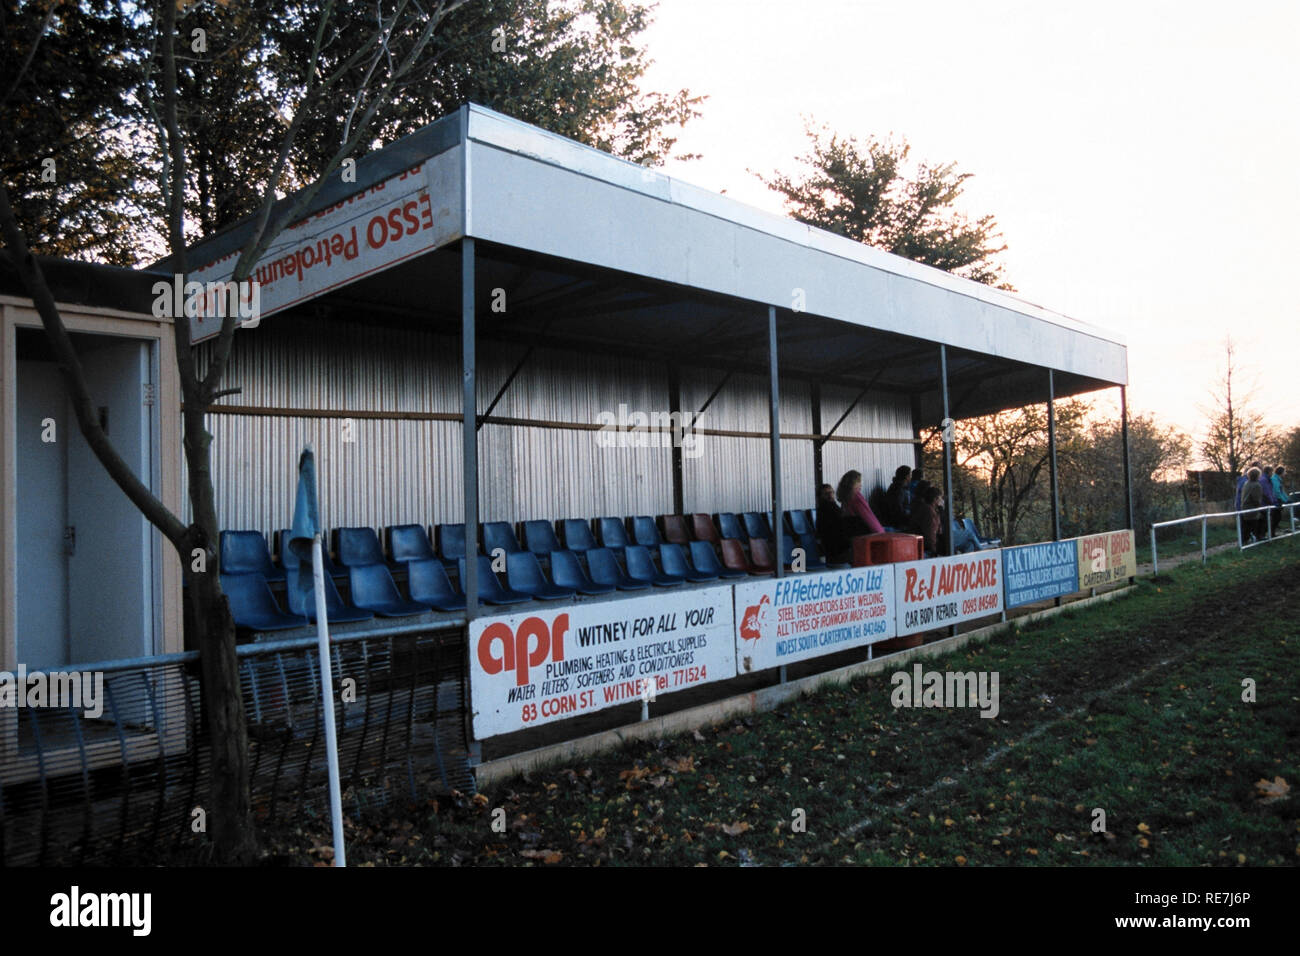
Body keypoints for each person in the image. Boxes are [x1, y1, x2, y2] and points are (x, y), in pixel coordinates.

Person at [836, 470, 885, 535]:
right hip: (867, 535)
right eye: (858, 482)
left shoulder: (845, 499)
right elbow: (869, 518)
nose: (860, 485)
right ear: (853, 484)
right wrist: (882, 533)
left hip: (854, 536)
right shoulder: (857, 498)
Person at [816, 483, 850, 563]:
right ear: (821, 496)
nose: (830, 495)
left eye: (832, 492)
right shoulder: (825, 509)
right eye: (826, 493)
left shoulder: (833, 506)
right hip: (837, 548)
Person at [909, 485, 943, 556]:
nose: (941, 500)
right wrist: (934, 550)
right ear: (935, 499)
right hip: (925, 546)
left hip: (930, 543)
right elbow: (930, 533)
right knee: (969, 536)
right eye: (940, 498)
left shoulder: (933, 509)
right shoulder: (928, 511)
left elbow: (939, 531)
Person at [1240, 467, 1266, 542]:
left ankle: (1245, 540)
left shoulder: (1246, 483)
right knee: (1261, 521)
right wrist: (1259, 506)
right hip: (1252, 509)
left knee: (1246, 527)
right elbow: (1256, 499)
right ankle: (1259, 537)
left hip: (1244, 507)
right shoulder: (1256, 485)